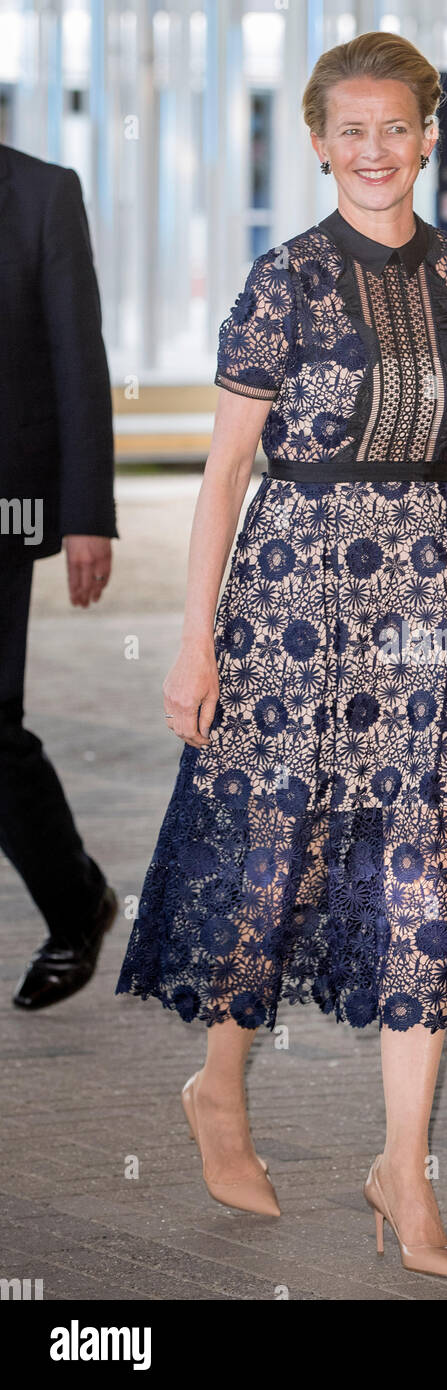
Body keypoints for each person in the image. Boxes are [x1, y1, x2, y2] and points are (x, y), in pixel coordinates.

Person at [116, 30, 447, 1280]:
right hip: (290, 596)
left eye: (393, 128)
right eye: (348, 130)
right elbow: (224, 473)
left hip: (428, 604)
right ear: (316, 143)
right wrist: (194, 645)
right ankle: (219, 1085)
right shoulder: (283, 279)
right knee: (271, 872)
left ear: (425, 139)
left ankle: (403, 1170)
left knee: (423, 872)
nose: (372, 150)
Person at [0, 142, 119, 1011]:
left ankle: (75, 907)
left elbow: (79, 359)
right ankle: (80, 898)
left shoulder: (42, 193)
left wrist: (87, 512)